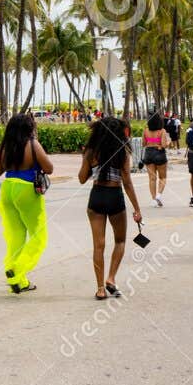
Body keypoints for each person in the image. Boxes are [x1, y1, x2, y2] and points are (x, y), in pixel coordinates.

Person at [78, 117, 143, 300]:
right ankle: (111, 279)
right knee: (120, 241)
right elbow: (127, 183)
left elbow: (82, 178)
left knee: (98, 246)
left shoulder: (91, 151)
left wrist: (86, 160)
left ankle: (100, 288)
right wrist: (137, 209)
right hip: (115, 197)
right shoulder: (122, 151)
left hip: (97, 196)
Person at [0, 112, 53, 295]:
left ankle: (18, 281)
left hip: (8, 189)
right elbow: (49, 168)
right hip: (26, 190)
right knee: (39, 236)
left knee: (15, 236)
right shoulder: (33, 144)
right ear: (29, 128)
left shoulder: (5, 147)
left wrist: (3, 155)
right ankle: (17, 270)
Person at [141, 111, 170, 207]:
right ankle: (159, 195)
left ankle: (153, 200)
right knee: (163, 177)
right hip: (159, 154)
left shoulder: (145, 131)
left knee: (152, 178)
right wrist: (168, 142)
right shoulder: (162, 131)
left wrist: (151, 142)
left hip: (148, 153)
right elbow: (164, 145)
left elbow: (143, 144)